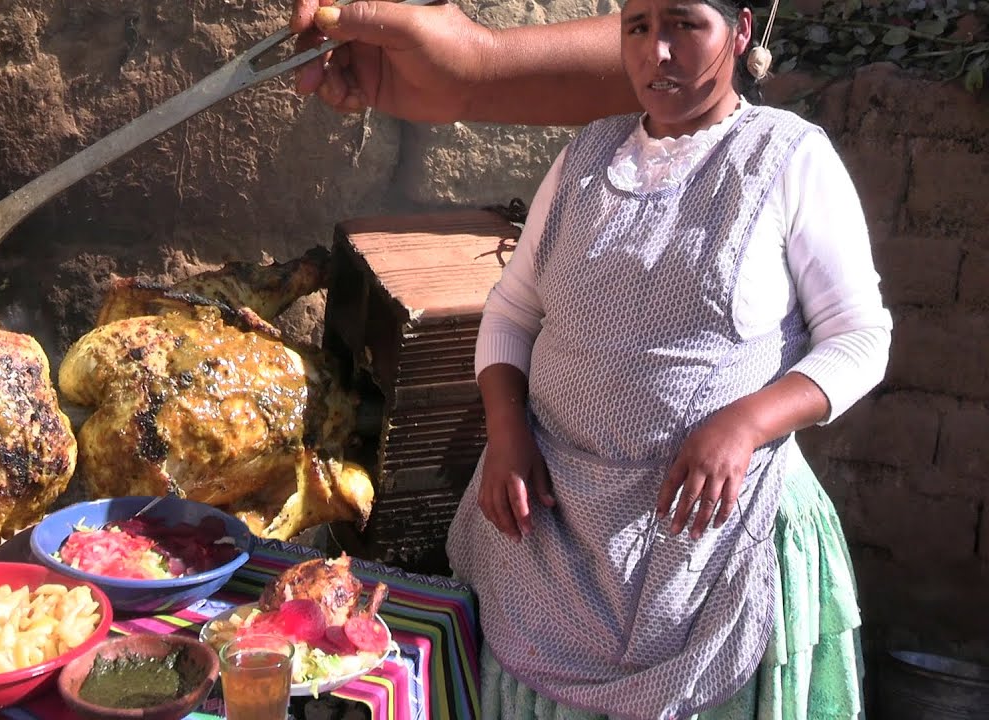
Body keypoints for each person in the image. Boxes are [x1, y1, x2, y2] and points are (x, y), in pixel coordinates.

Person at [290, 1, 890, 718]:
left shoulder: (786, 157)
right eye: (637, 28)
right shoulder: (589, 157)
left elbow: (859, 338)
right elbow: (512, 312)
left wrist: (743, 425)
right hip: (555, 534)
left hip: (705, 542)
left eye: (684, 26)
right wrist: (506, 431)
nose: (656, 53)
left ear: (741, 31)